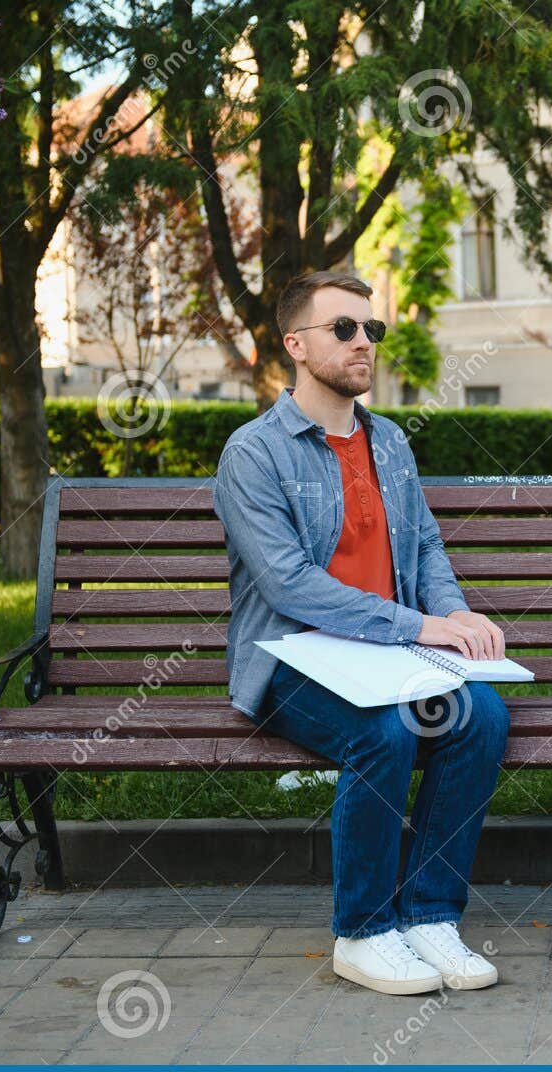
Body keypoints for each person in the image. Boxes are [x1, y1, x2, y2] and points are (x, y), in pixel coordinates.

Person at [212, 269, 510, 995]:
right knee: (384, 732)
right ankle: (364, 931)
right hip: (293, 660)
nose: (362, 342)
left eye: (369, 329)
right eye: (342, 328)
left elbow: (426, 547)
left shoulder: (391, 443)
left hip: (388, 651)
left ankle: (430, 916)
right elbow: (290, 585)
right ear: (295, 344)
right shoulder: (255, 453)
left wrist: (456, 613)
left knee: (483, 718)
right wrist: (422, 626)